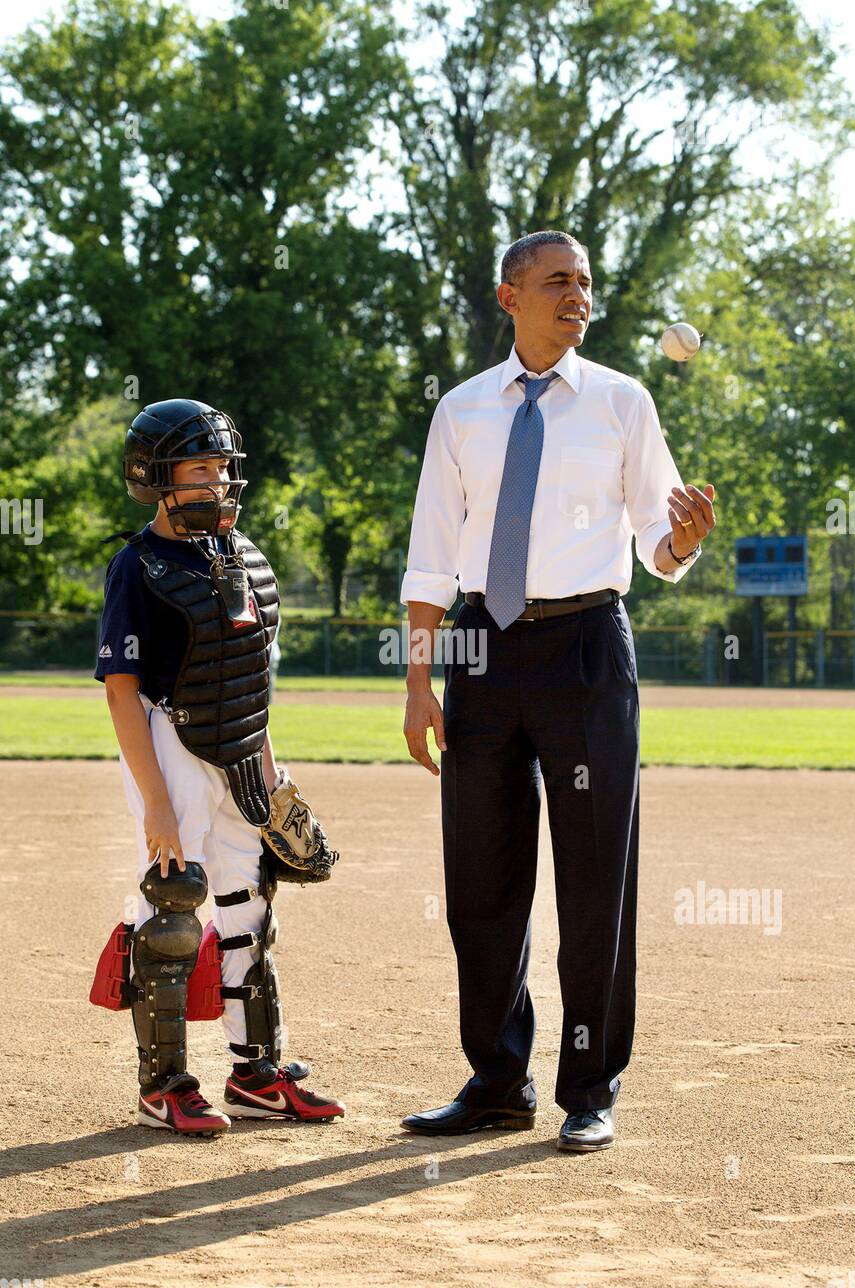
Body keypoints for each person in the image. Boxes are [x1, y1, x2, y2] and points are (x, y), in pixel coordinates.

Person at [399, 231, 716, 1152]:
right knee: (483, 878)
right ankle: (498, 1081)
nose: (577, 295)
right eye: (556, 282)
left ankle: (589, 1086)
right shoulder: (460, 411)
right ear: (510, 298)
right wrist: (420, 685)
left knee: (593, 877)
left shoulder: (622, 400)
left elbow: (660, 544)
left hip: (587, 645)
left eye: (584, 281)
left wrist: (686, 539)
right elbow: (429, 553)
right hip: (481, 651)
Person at [94, 397, 344, 1136]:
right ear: (155, 477)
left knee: (250, 908)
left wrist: (271, 778)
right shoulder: (137, 568)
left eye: (224, 467)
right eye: (201, 468)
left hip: (242, 752)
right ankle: (163, 1085)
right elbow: (121, 691)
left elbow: (251, 679)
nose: (220, 481)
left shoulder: (241, 556)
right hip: (168, 744)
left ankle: (257, 1074)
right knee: (174, 906)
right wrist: (156, 807)